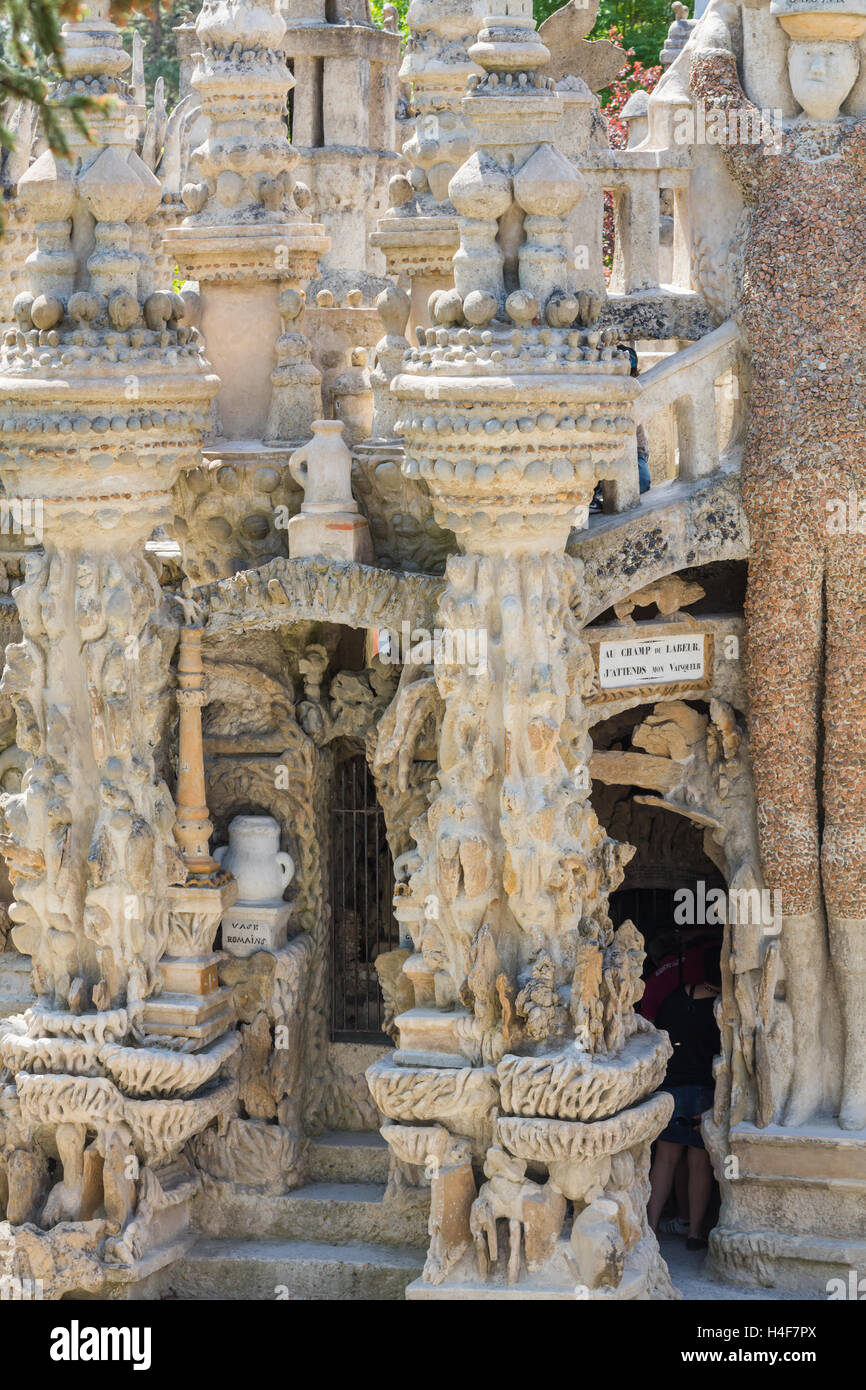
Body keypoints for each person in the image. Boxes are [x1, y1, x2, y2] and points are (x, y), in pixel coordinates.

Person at [647, 945, 721, 1250]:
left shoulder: (676, 997)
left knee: (664, 1159)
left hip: (671, 1087)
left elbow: (658, 1035)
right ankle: (693, 1234)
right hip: (705, 1091)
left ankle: (649, 1228)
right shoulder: (722, 1007)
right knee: (699, 1164)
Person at [589, 345, 650, 510]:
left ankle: (597, 492)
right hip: (603, 450)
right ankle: (592, 495)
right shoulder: (601, 387)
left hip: (636, 451)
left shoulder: (634, 390)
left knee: (642, 482)